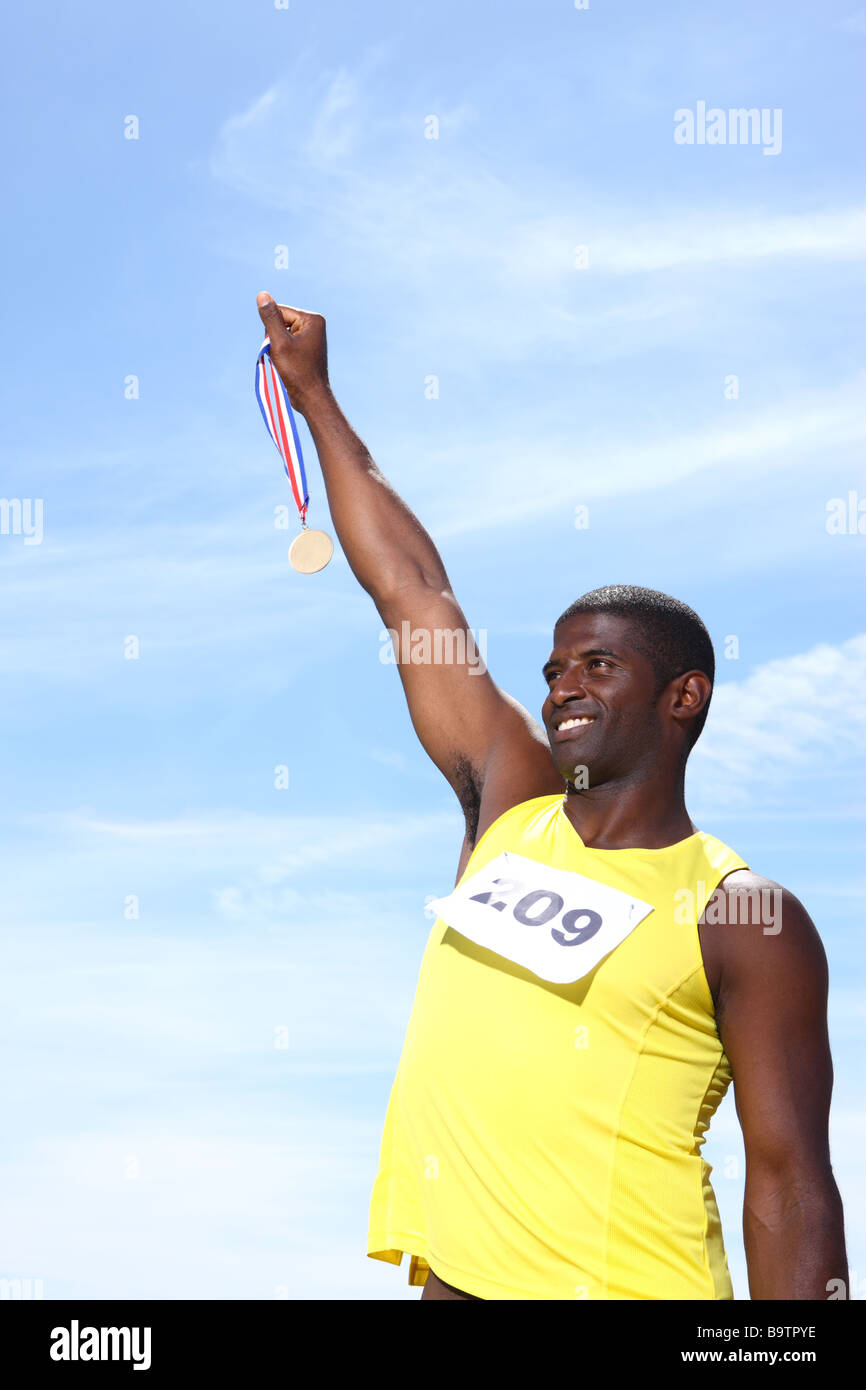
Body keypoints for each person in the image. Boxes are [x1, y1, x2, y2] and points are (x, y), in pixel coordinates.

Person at [256, 293, 848, 1302]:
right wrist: (313, 396)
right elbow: (412, 589)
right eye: (553, 666)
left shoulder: (742, 916)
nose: (560, 685)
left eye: (596, 666)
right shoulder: (510, 806)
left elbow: (790, 1184)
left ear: (681, 696)